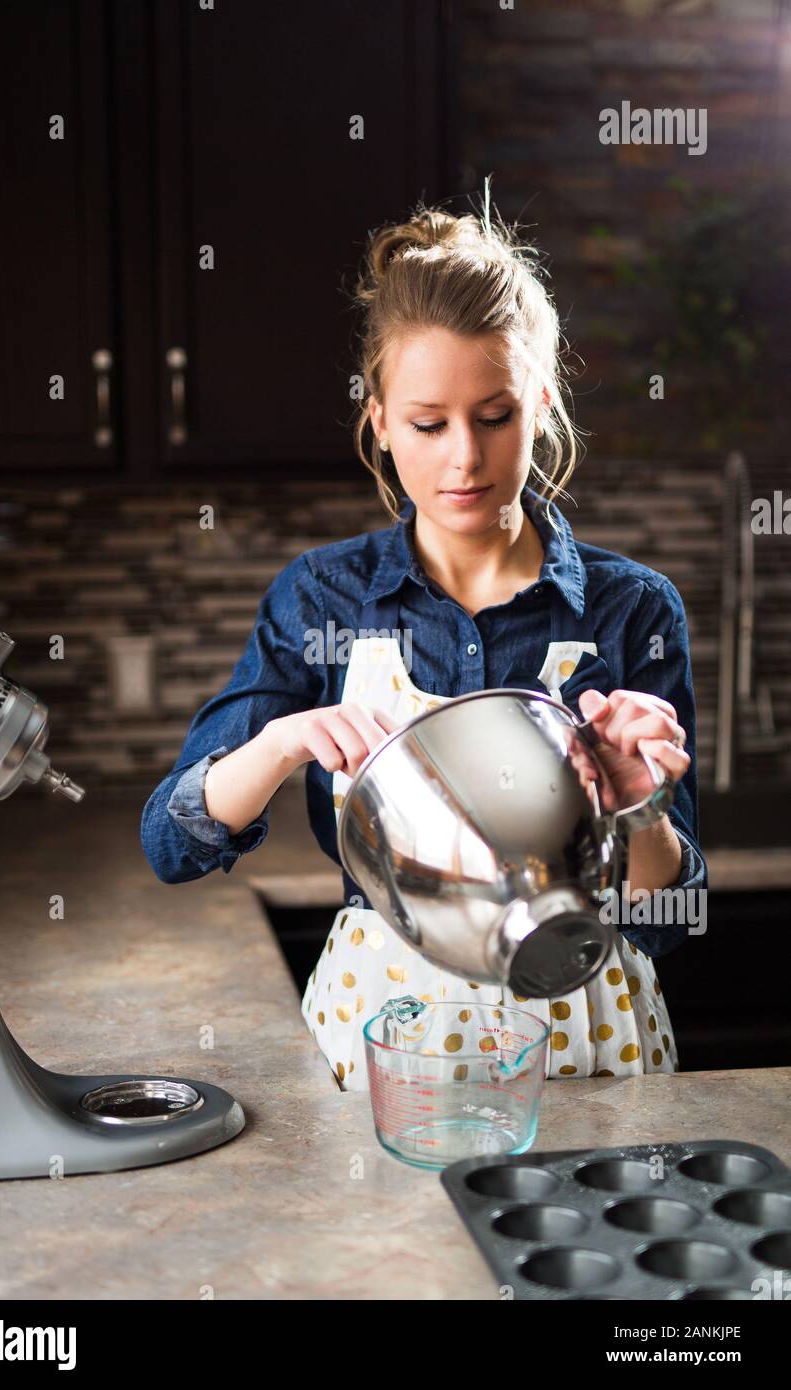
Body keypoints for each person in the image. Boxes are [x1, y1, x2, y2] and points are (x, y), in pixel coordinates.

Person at [141, 186, 706, 1090]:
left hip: (588, 1049)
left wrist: (638, 810)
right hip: (383, 1044)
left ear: (543, 405)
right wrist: (282, 742)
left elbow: (675, 915)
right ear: (378, 420)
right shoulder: (319, 597)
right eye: (427, 424)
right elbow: (172, 843)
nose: (464, 460)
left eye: (496, 417)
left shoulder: (631, 609)